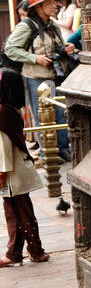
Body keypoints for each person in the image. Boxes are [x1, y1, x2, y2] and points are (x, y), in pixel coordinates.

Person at [3, 0, 74, 162]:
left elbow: (58, 46)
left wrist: (67, 48)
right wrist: (35, 58)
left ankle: (62, 149)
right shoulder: (27, 25)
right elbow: (10, 49)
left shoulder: (52, 25)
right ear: (39, 6)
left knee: (59, 112)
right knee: (43, 114)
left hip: (55, 75)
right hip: (36, 77)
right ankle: (46, 153)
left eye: (54, 2)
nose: (54, 6)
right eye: (50, 3)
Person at [0, 69, 47, 266]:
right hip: (13, 170)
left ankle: (33, 251)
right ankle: (16, 253)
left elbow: (3, 147)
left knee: (19, 212)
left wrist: (1, 173)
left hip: (9, 172)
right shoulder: (10, 110)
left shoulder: (2, 112)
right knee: (17, 211)